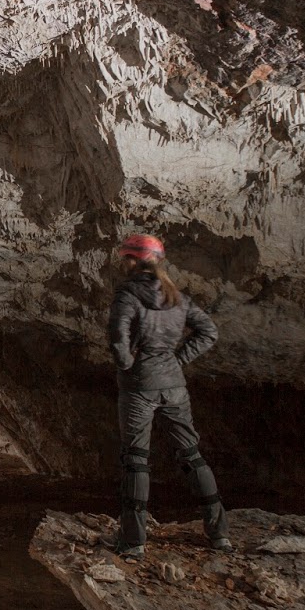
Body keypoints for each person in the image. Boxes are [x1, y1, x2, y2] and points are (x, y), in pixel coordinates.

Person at [107, 233, 230, 558]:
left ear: (133, 260)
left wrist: (129, 364)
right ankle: (219, 534)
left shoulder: (128, 295)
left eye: (125, 258)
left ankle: (133, 542)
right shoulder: (177, 297)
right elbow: (209, 332)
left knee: (136, 460)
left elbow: (118, 340)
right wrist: (177, 360)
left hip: (139, 388)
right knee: (191, 454)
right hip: (174, 385)